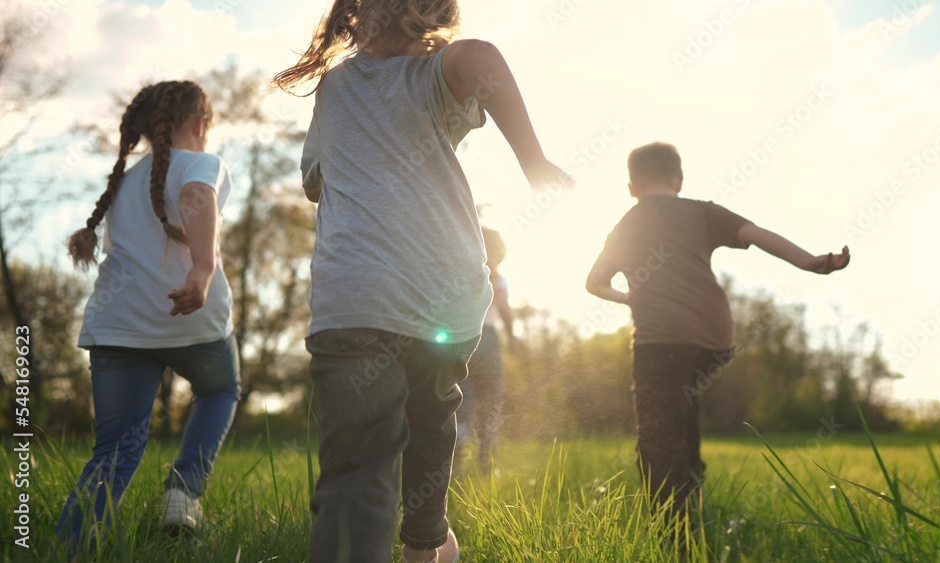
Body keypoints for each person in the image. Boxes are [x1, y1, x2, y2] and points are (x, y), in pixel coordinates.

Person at [273, 1, 570, 562]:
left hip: (359, 298)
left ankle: (419, 544)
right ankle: (426, 546)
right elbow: (480, 56)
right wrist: (533, 162)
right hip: (445, 296)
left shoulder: (340, 87)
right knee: (432, 422)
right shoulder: (434, 75)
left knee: (360, 467)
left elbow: (315, 180)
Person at [585, 142, 849, 521]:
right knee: (682, 411)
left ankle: (673, 532)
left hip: (660, 342)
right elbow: (756, 234)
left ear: (631, 187)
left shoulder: (626, 224)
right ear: (678, 180)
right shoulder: (701, 211)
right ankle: (692, 495)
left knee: (659, 436)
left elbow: (594, 283)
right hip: (714, 338)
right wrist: (810, 261)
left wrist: (630, 297)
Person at [58, 80, 240, 558]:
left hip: (118, 326)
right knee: (220, 389)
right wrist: (201, 269)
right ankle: (183, 491)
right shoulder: (200, 161)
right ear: (200, 124)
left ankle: (68, 549)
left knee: (116, 450)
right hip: (191, 318)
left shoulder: (123, 182)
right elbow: (198, 193)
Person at [457, 227, 516, 475]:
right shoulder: (496, 278)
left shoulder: (462, 275)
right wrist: (512, 336)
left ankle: (453, 465)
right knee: (490, 403)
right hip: (488, 342)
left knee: (461, 404)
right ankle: (487, 465)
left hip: (461, 341)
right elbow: (503, 307)